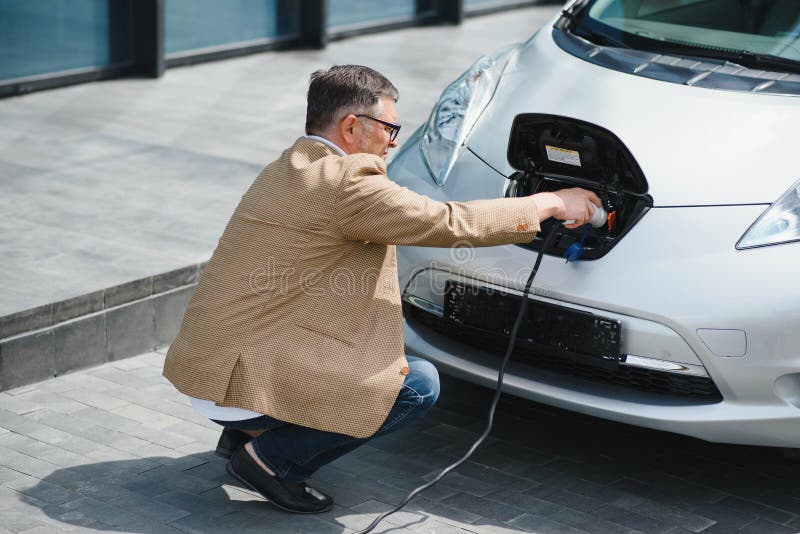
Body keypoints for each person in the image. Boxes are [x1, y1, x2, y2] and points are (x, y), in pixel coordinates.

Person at [162, 65, 601, 514]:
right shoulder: (347, 185)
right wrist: (550, 201)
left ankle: (242, 436)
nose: (393, 141)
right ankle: (270, 461)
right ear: (352, 126)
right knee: (416, 384)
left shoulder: (288, 166)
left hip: (207, 368)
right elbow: (451, 222)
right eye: (389, 128)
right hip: (240, 383)